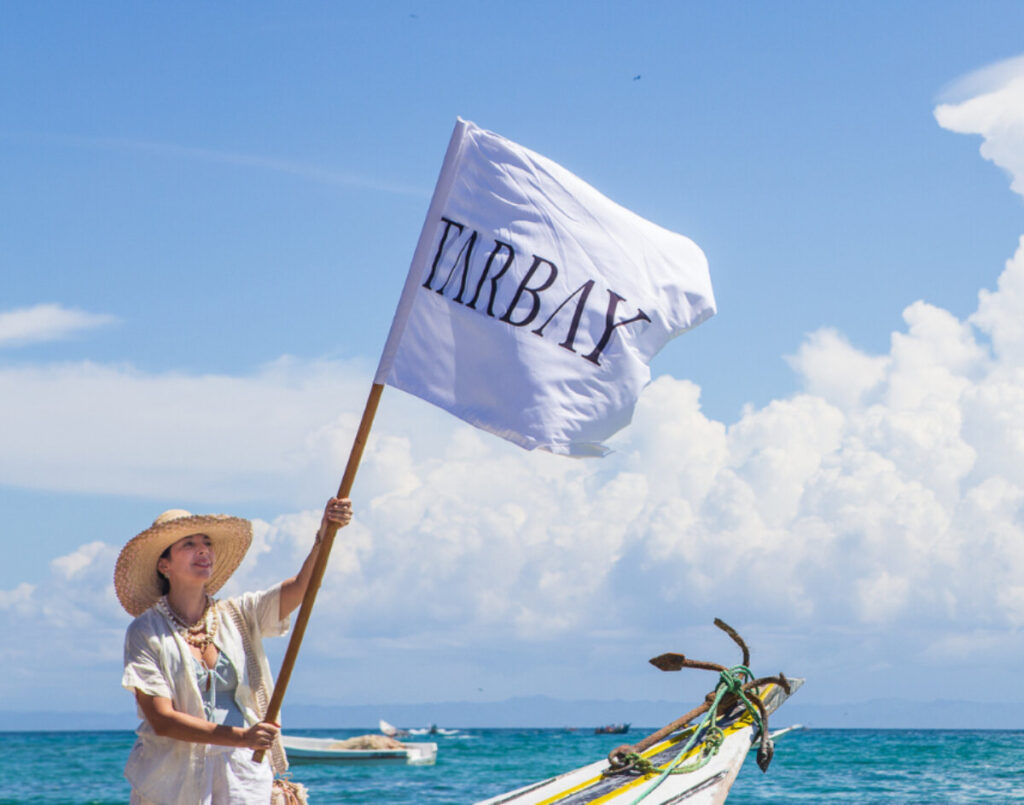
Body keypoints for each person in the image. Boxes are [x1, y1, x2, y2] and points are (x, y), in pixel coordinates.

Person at [115, 496, 353, 805]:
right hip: (173, 779)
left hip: (243, 773)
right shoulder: (146, 631)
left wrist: (324, 534)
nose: (203, 549)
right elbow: (162, 719)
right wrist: (241, 736)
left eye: (206, 542)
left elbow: (302, 587)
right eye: (188, 544)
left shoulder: (239, 614)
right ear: (165, 564)